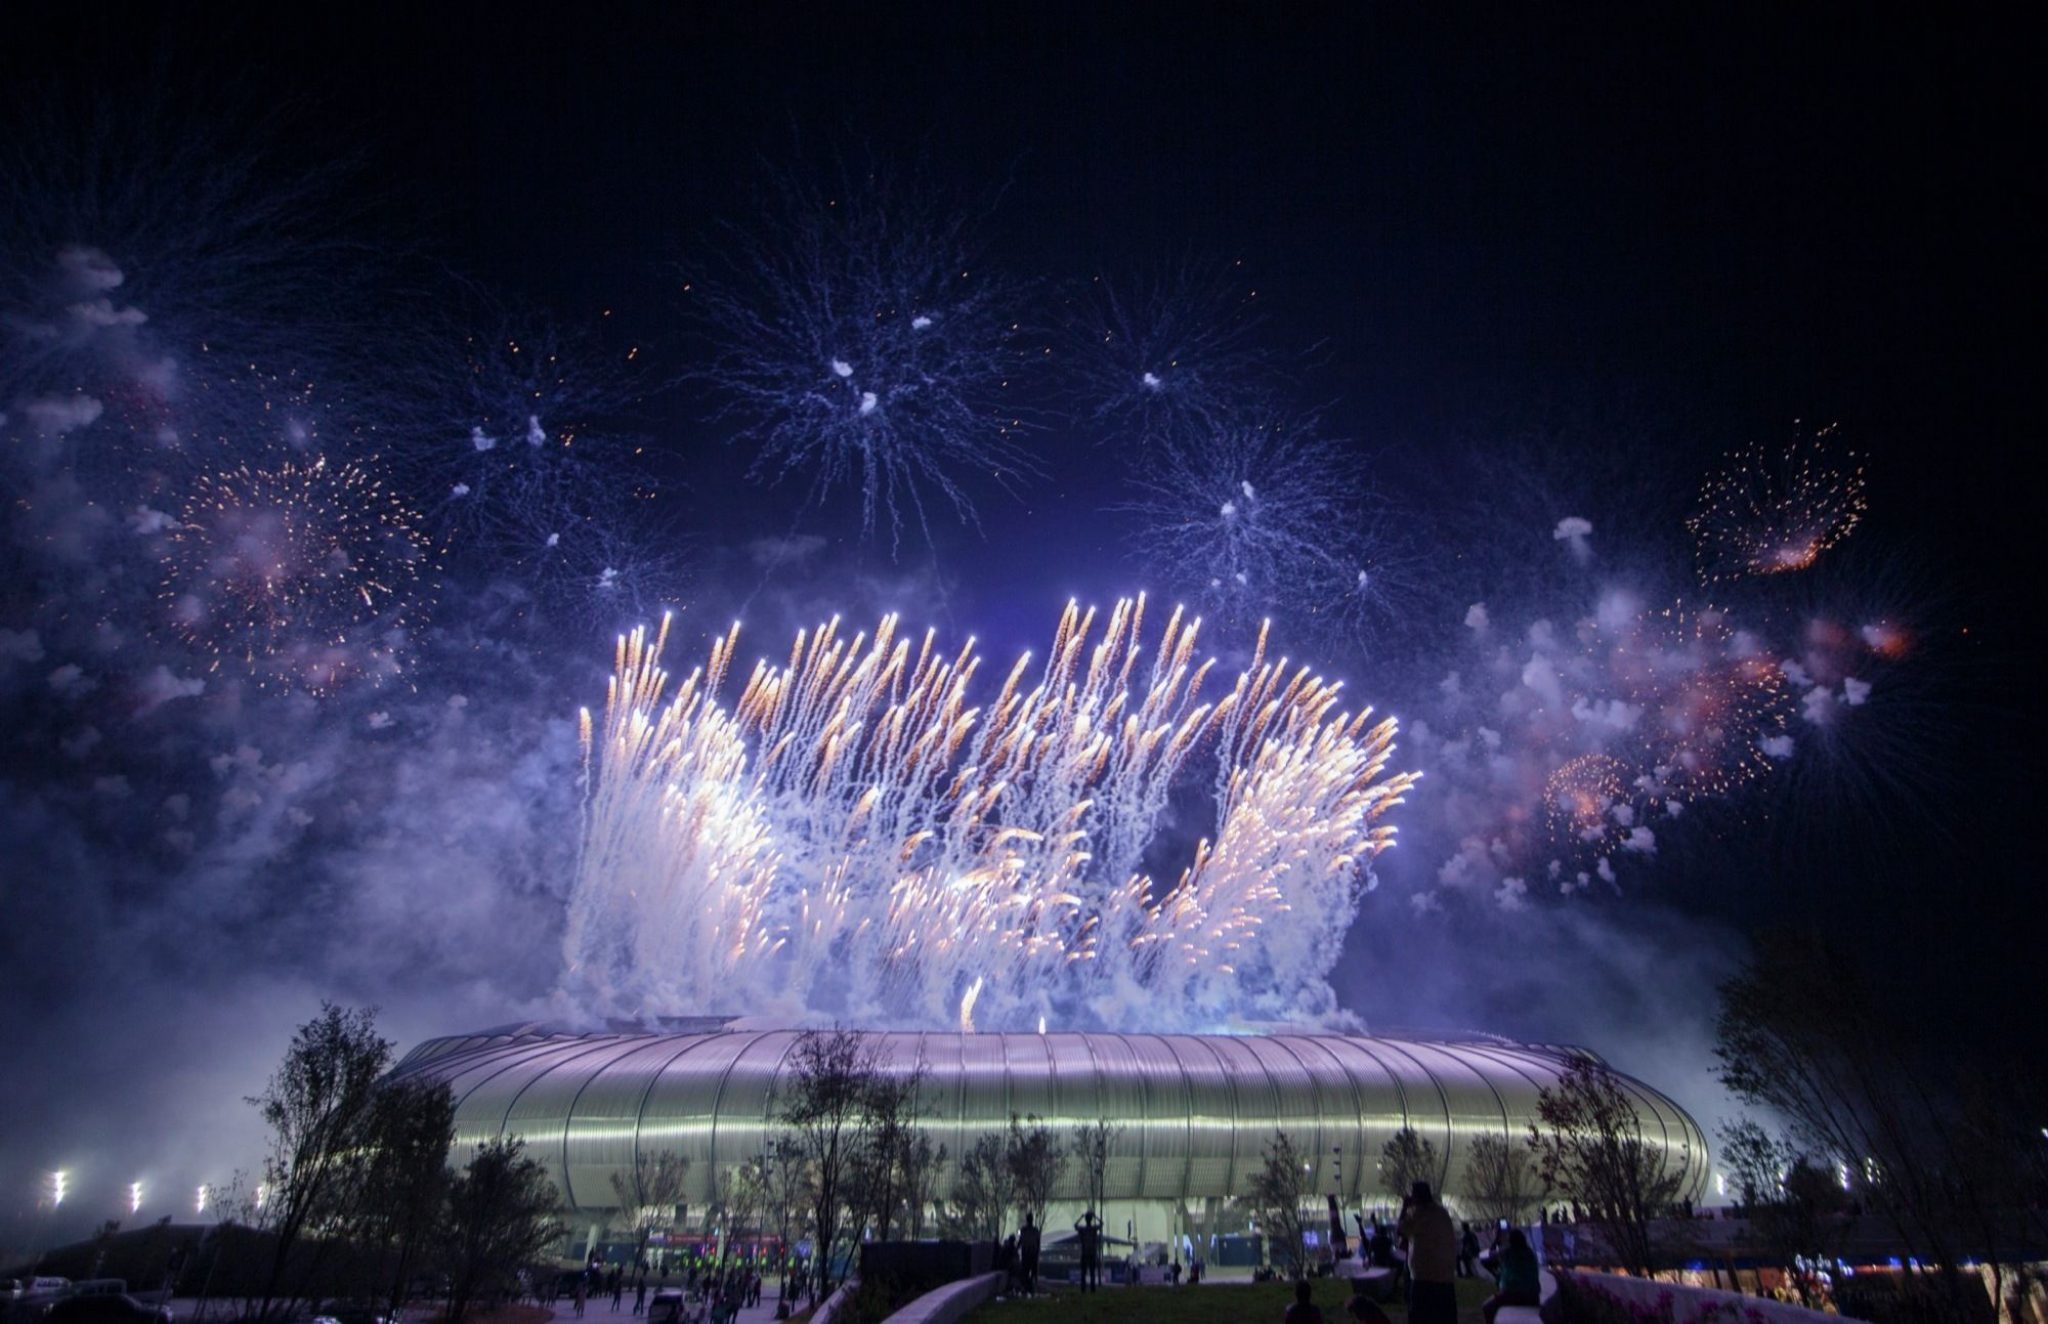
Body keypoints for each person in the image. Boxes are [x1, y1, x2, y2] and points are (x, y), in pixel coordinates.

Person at [1395, 1181, 1458, 1324]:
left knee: (1420, 1317)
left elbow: (1400, 1230)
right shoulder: (1442, 1213)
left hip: (1424, 1279)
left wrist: (1405, 1207)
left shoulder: (1418, 1214)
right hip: (1445, 1278)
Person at [1481, 1228, 1541, 1324]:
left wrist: (1496, 1241)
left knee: (1487, 1307)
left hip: (1514, 1294)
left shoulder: (1508, 1252)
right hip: (1533, 1296)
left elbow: (1487, 1257)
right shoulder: (1529, 1253)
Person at [1075, 1210, 1103, 1292]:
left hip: (1085, 1253)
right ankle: (1092, 1288)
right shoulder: (1093, 1229)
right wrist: (1095, 1216)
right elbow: (1101, 1224)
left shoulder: (1083, 1230)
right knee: (1092, 1272)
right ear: (1091, 1220)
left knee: (1083, 1272)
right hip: (1092, 1253)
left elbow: (1075, 1225)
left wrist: (1081, 1217)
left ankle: (1083, 1289)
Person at [1019, 1212, 1042, 1294]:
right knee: (1032, 1272)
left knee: (1026, 1272)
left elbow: (1020, 1241)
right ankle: (1031, 1288)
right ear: (1032, 1220)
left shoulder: (1023, 1230)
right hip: (1032, 1253)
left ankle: (1028, 1288)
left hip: (1027, 1253)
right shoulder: (1035, 1230)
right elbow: (1038, 1243)